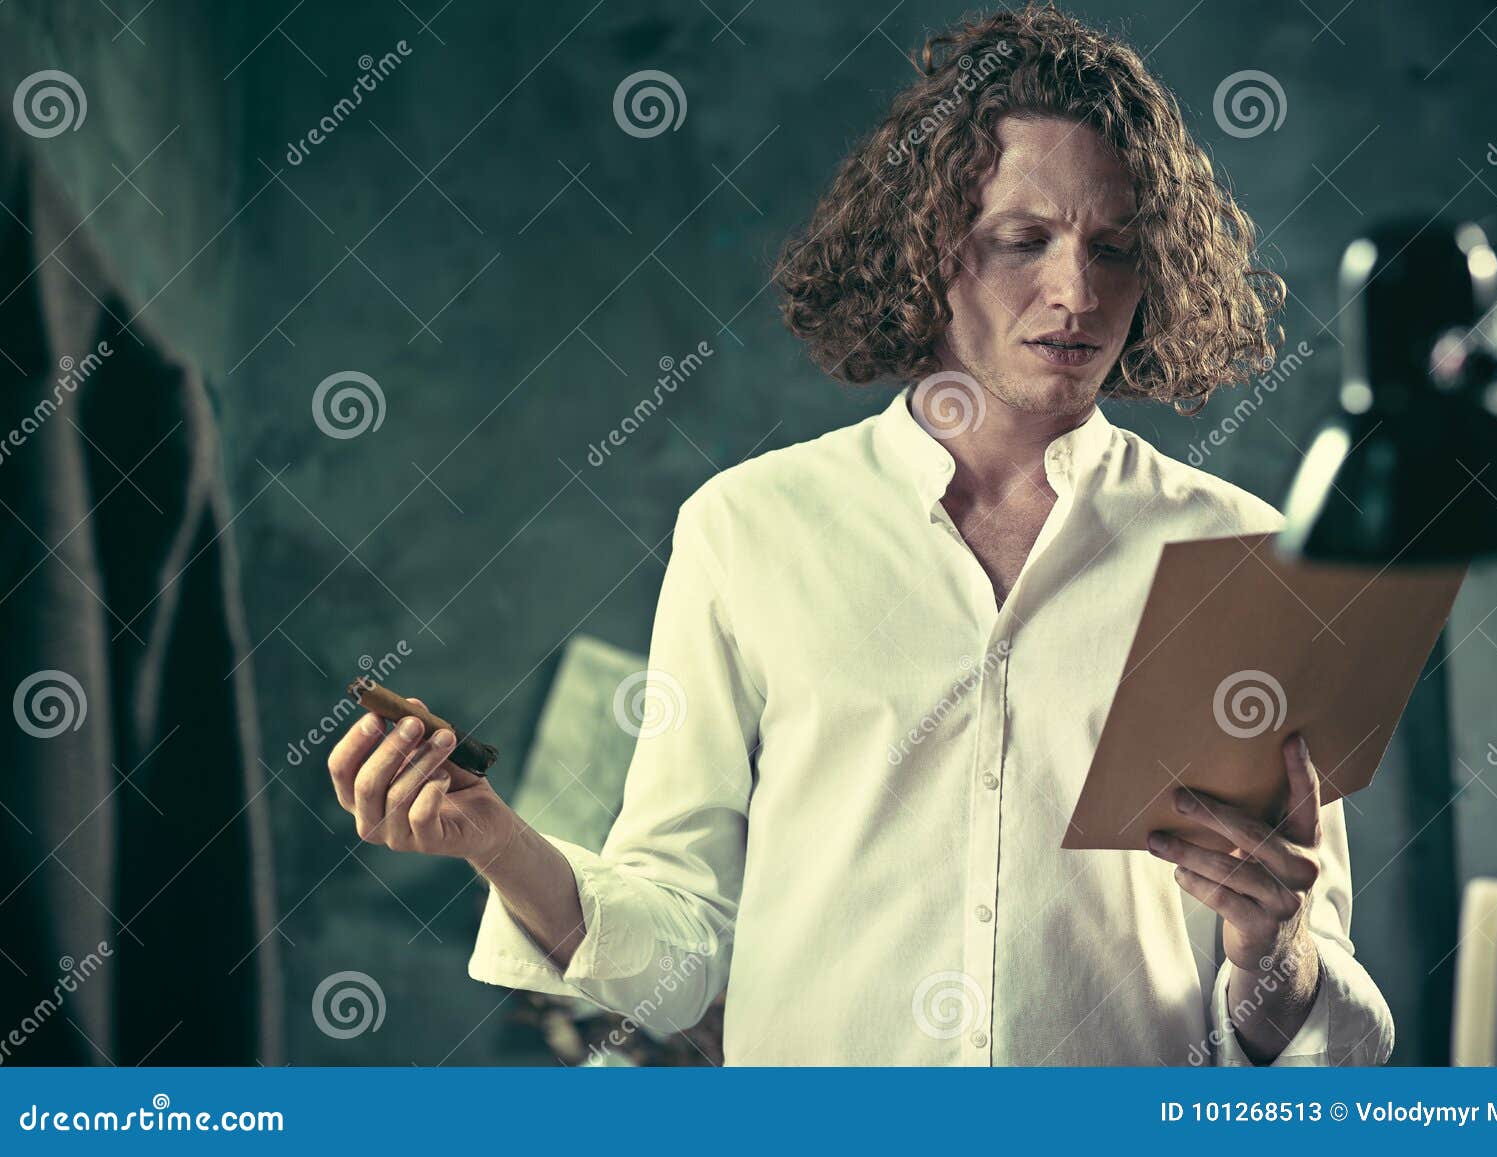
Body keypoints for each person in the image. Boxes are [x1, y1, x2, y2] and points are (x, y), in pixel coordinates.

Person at [326, 3, 1394, 1065]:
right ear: (931, 251)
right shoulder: (747, 529)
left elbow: (1332, 1041)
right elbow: (682, 959)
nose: (1076, 292)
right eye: (1024, 239)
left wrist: (1276, 945)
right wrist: (498, 844)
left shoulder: (1240, 554)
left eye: (1113, 249)